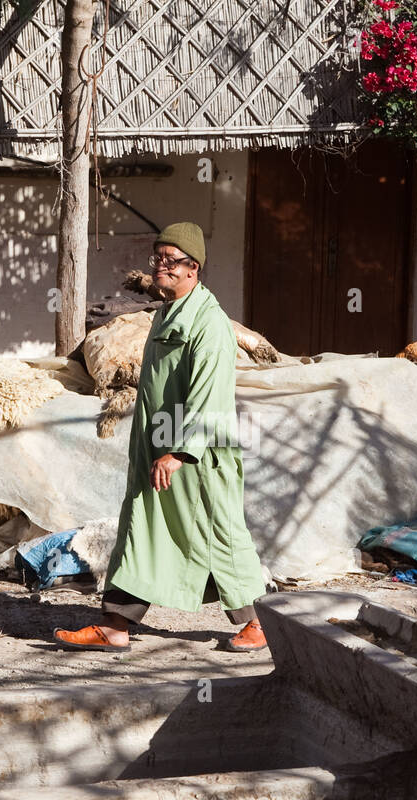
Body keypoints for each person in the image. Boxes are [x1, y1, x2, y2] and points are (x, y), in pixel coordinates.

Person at [52, 222, 268, 653]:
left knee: (218, 535)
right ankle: (115, 626)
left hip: (197, 455)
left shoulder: (208, 325)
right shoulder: (170, 312)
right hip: (161, 448)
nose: (161, 268)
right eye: (158, 259)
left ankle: (257, 624)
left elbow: (210, 395)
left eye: (171, 261)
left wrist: (181, 453)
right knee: (143, 532)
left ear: (194, 268)